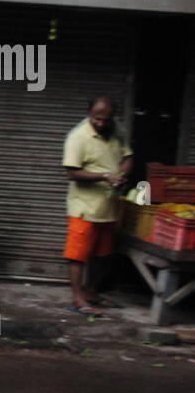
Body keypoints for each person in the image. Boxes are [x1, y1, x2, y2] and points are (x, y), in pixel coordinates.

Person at [62, 96, 132, 316]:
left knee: (102, 254)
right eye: (97, 119)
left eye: (106, 119)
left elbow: (128, 156)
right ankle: (77, 299)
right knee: (78, 255)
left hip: (108, 208)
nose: (101, 123)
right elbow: (72, 172)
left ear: (113, 116)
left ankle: (91, 293)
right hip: (84, 208)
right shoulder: (78, 136)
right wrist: (104, 176)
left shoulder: (116, 133)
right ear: (89, 113)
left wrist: (121, 174)